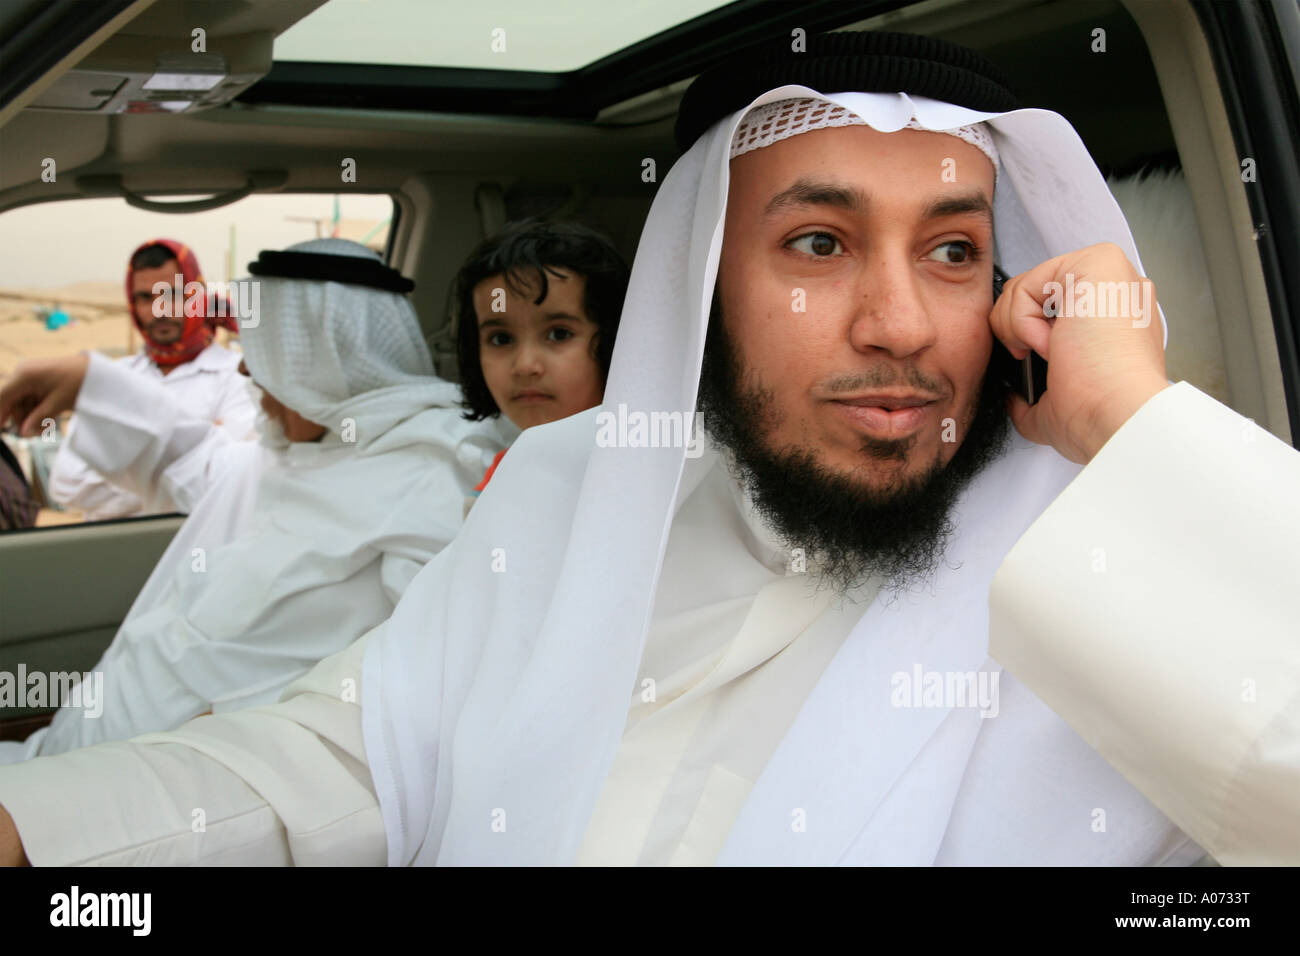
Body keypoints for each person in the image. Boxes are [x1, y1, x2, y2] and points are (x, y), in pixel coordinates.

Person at [1, 31, 1297, 867]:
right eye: (818, 244)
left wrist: (1131, 430)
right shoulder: (568, 491)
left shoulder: (1126, 566)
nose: (903, 324)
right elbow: (359, 758)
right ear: (702, 292)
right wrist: (36, 830)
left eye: (955, 251)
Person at [0, 238, 507, 764]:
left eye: (265, 349)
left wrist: (230, 724)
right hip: (67, 751)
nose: (245, 371)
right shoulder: (287, 453)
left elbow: (408, 687)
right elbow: (183, 453)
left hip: (155, 785)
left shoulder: (439, 472)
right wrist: (90, 380)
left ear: (322, 359)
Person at [36, 239, 256, 520]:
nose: (158, 310)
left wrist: (122, 462)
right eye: (145, 298)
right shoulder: (113, 377)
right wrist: (183, 469)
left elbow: (226, 481)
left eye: (171, 295)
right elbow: (68, 485)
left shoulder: (238, 376)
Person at [452, 219, 628, 499]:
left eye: (559, 334)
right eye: (501, 339)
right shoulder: (504, 471)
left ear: (616, 340)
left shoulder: (641, 471)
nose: (525, 366)